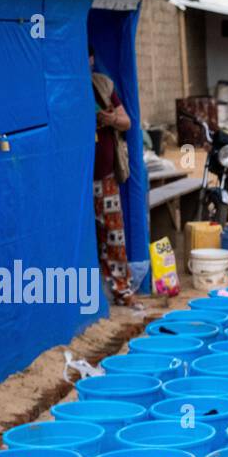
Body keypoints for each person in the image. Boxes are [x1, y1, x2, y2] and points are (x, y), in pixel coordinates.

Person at [90, 45, 134, 308]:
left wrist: (110, 121)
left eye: (89, 58)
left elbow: (126, 121)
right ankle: (90, 295)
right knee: (90, 237)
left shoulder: (102, 85)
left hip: (105, 176)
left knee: (113, 237)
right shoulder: (59, 86)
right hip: (77, 183)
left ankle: (121, 290)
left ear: (92, 59)